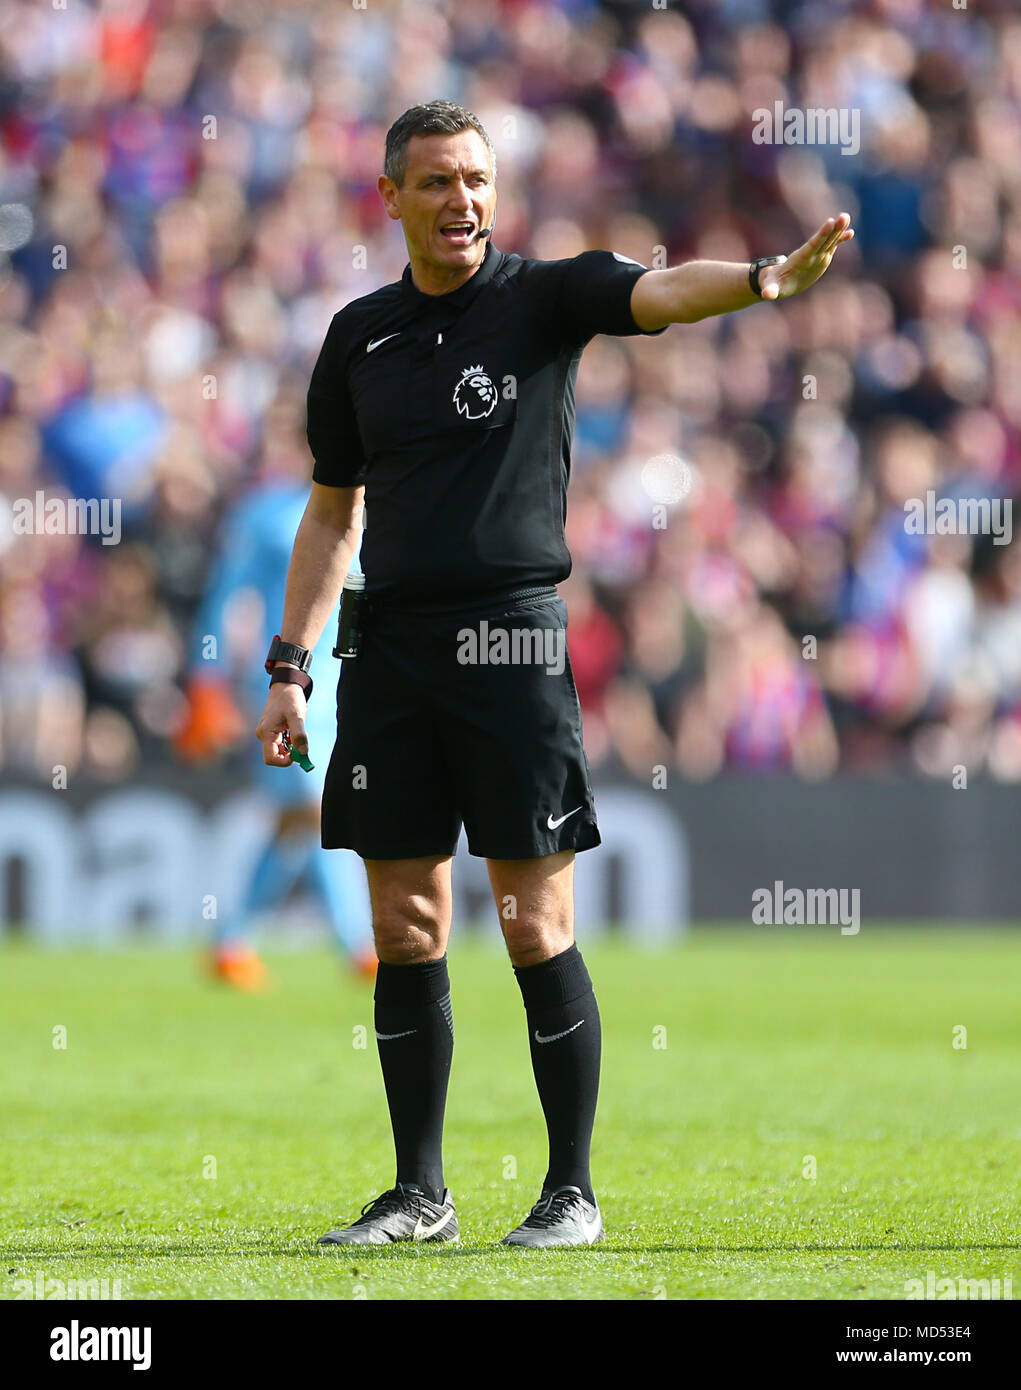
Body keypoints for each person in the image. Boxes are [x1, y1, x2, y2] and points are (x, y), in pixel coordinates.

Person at [254, 100, 853, 1247]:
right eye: (434, 182)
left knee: (533, 920)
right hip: (388, 649)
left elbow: (662, 293)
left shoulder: (543, 299)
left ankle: (570, 1191)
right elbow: (333, 512)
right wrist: (291, 663)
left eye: (475, 178)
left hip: (513, 641)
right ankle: (418, 1193)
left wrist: (767, 279)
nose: (461, 200)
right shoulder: (358, 336)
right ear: (390, 197)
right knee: (406, 923)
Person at [178, 453, 376, 990]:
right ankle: (358, 946)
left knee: (298, 818)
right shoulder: (266, 513)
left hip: (344, 687)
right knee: (312, 808)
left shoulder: (371, 510)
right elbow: (225, 597)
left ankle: (230, 944)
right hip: (286, 684)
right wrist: (207, 678)